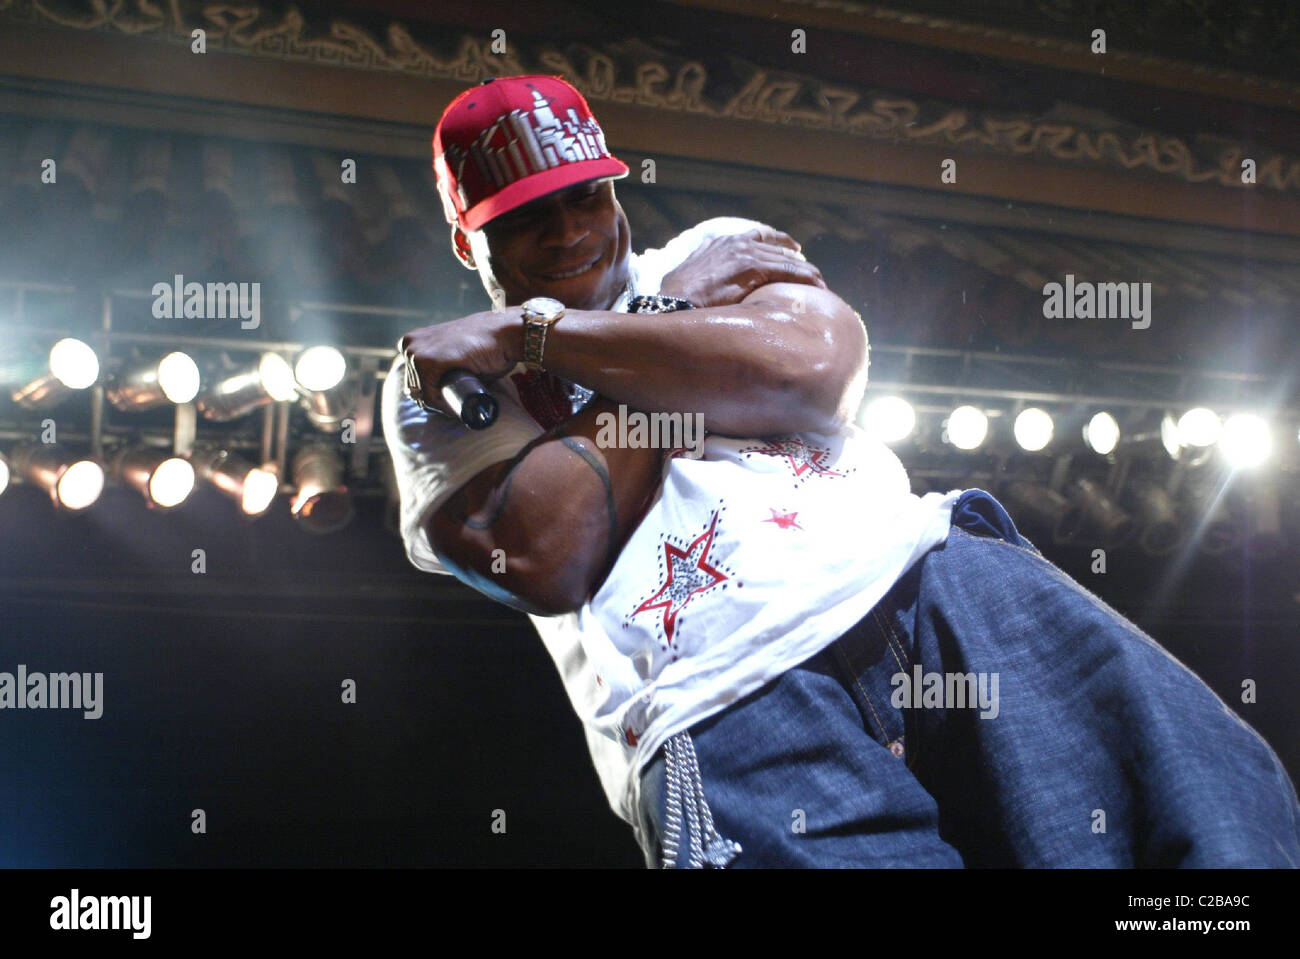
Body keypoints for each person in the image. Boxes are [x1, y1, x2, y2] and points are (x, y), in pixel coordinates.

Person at [384, 74, 1300, 868]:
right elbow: (548, 550)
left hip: (929, 580)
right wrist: (668, 333)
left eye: (585, 197)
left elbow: (814, 366)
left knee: (1217, 810)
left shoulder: (712, 245)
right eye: (527, 218)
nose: (569, 231)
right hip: (725, 701)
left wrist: (544, 335)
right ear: (470, 243)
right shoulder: (438, 382)